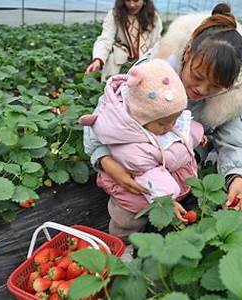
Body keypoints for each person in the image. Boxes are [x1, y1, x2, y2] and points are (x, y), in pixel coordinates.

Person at [84, 3, 242, 216]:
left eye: (215, 86)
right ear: (187, 52)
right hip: (135, 157)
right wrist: (105, 160)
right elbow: (105, 118)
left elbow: (237, 141)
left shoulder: (230, 99)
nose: (202, 89)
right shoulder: (150, 73)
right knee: (129, 207)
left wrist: (238, 178)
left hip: (180, 164)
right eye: (198, 77)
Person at [80, 59, 205, 239]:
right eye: (163, 123)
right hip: (135, 190)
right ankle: (123, 243)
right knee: (127, 220)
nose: (170, 127)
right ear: (141, 119)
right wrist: (167, 201)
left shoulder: (163, 118)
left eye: (175, 119)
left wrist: (195, 135)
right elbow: (152, 178)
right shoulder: (131, 148)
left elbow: (184, 125)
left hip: (165, 183)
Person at [85, 0, 163, 81]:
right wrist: (98, 59)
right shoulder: (115, 14)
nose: (132, 5)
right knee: (112, 58)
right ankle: (107, 86)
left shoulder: (154, 17)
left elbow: (156, 43)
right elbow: (106, 38)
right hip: (119, 59)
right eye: (128, 0)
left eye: (136, 0)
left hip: (144, 62)